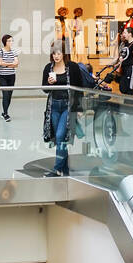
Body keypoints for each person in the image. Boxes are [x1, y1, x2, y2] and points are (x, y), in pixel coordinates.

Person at [42, 43, 85, 176]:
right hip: (53, 106)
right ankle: (65, 168)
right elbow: (44, 89)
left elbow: (79, 88)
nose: (56, 56)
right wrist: (48, 84)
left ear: (64, 54)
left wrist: (79, 108)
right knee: (58, 139)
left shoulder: (72, 67)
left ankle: (57, 169)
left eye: (59, 53)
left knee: (61, 135)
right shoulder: (48, 68)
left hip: (68, 106)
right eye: (54, 53)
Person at [0, 34, 19, 121]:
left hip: (12, 76)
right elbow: (0, 63)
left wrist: (7, 65)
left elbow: (16, 64)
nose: (11, 42)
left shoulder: (14, 51)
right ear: (5, 42)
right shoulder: (0, 51)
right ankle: (5, 114)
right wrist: (11, 64)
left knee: (9, 95)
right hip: (2, 76)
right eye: (9, 41)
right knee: (5, 94)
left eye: (12, 40)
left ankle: (4, 112)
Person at [115, 26, 133, 95]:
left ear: (130, 34)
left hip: (131, 69)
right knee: (122, 88)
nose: (123, 34)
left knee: (129, 89)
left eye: (125, 33)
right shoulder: (126, 44)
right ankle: (130, 103)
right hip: (124, 69)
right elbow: (123, 56)